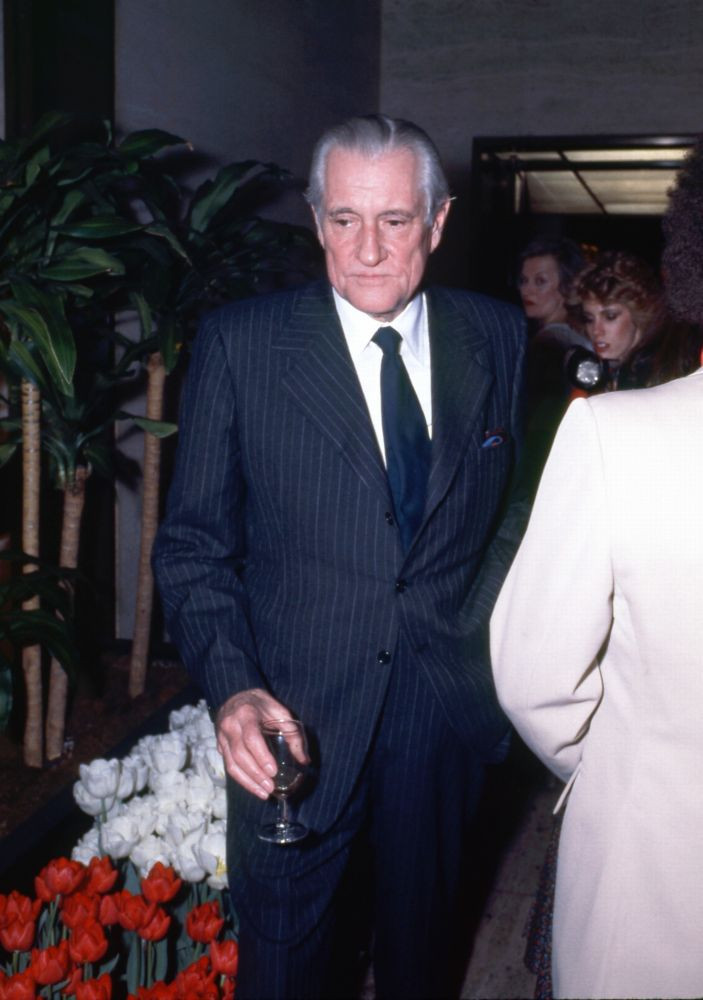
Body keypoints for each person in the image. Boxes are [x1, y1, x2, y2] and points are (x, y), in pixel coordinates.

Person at [153, 113, 527, 999]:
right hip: (293, 719)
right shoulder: (242, 344)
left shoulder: (497, 335)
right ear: (316, 219)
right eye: (344, 219)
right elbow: (193, 546)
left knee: (421, 959)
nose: (367, 250)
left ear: (436, 223)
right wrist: (234, 688)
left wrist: (474, 633)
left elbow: (513, 505)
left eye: (394, 220)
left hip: (440, 713)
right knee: (285, 969)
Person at [489, 140, 703, 1000]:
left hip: (652, 871)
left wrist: (618, 758)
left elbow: (536, 679)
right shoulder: (563, 378)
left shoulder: (620, 428)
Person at [567, 249, 702, 393]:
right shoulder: (604, 372)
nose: (596, 330)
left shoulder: (659, 373)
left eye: (610, 317)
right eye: (589, 319)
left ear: (639, 313)